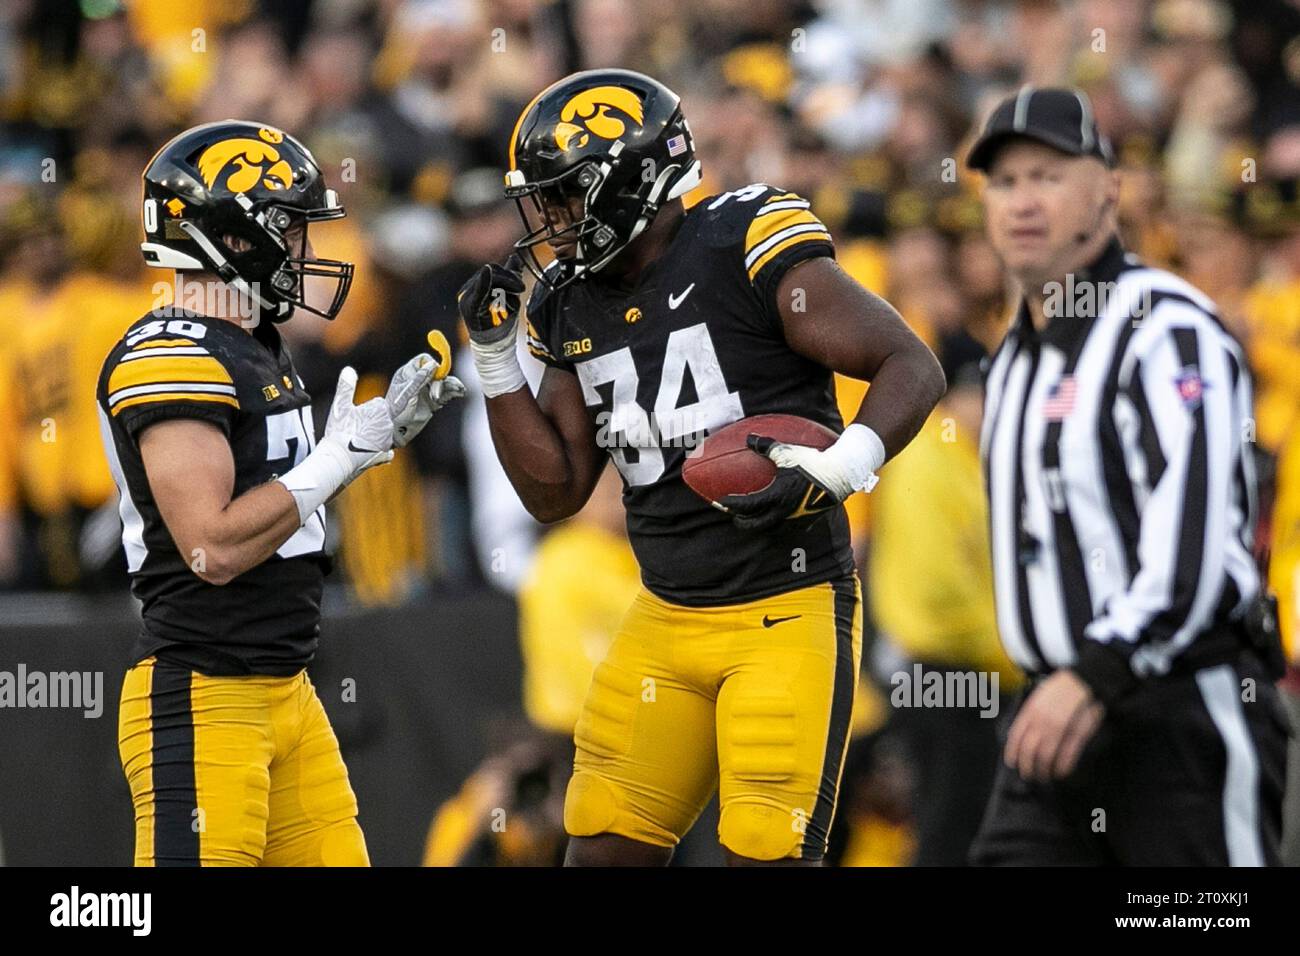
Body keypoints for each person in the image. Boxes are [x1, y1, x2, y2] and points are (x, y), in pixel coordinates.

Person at [459, 69, 944, 865]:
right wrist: (496, 363)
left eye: (565, 196)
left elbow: (908, 362)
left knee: (764, 851)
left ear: (631, 184)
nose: (550, 221)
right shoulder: (570, 301)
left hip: (783, 609)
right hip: (664, 612)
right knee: (600, 847)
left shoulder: (741, 241)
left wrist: (844, 465)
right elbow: (556, 492)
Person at [99, 120, 463, 865]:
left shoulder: (253, 338)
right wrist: (338, 462)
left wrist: (372, 444)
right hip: (204, 693)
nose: (304, 252)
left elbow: (287, 498)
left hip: (287, 687)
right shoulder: (171, 353)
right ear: (233, 238)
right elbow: (212, 545)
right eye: (289, 230)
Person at [967, 87, 1288, 865]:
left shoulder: (1166, 328)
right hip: (1052, 720)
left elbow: (1199, 540)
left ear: (1108, 188)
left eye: (1047, 175)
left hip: (1174, 714)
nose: (1022, 201)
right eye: (1004, 183)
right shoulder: (1013, 361)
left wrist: (1098, 671)